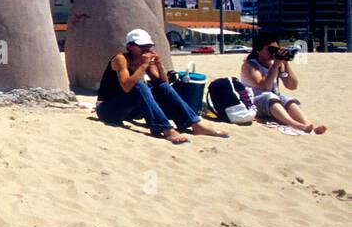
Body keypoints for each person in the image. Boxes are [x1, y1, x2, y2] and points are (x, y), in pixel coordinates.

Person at [96, 28, 229, 144]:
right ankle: (165, 129)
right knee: (140, 86)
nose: (146, 49)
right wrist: (143, 66)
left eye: (148, 46)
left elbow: (163, 84)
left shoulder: (144, 59)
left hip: (130, 110)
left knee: (162, 88)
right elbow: (126, 87)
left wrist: (159, 65)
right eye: (142, 46)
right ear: (130, 46)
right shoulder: (121, 59)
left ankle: (195, 124)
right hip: (108, 110)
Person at [240, 32, 326, 134]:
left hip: (273, 101)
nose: (273, 53)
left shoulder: (276, 64)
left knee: (287, 99)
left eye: (276, 49)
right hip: (253, 102)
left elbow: (292, 86)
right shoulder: (250, 65)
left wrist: (285, 63)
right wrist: (276, 65)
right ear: (258, 50)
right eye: (270, 49)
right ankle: (295, 125)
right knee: (270, 97)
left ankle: (308, 125)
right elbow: (263, 86)